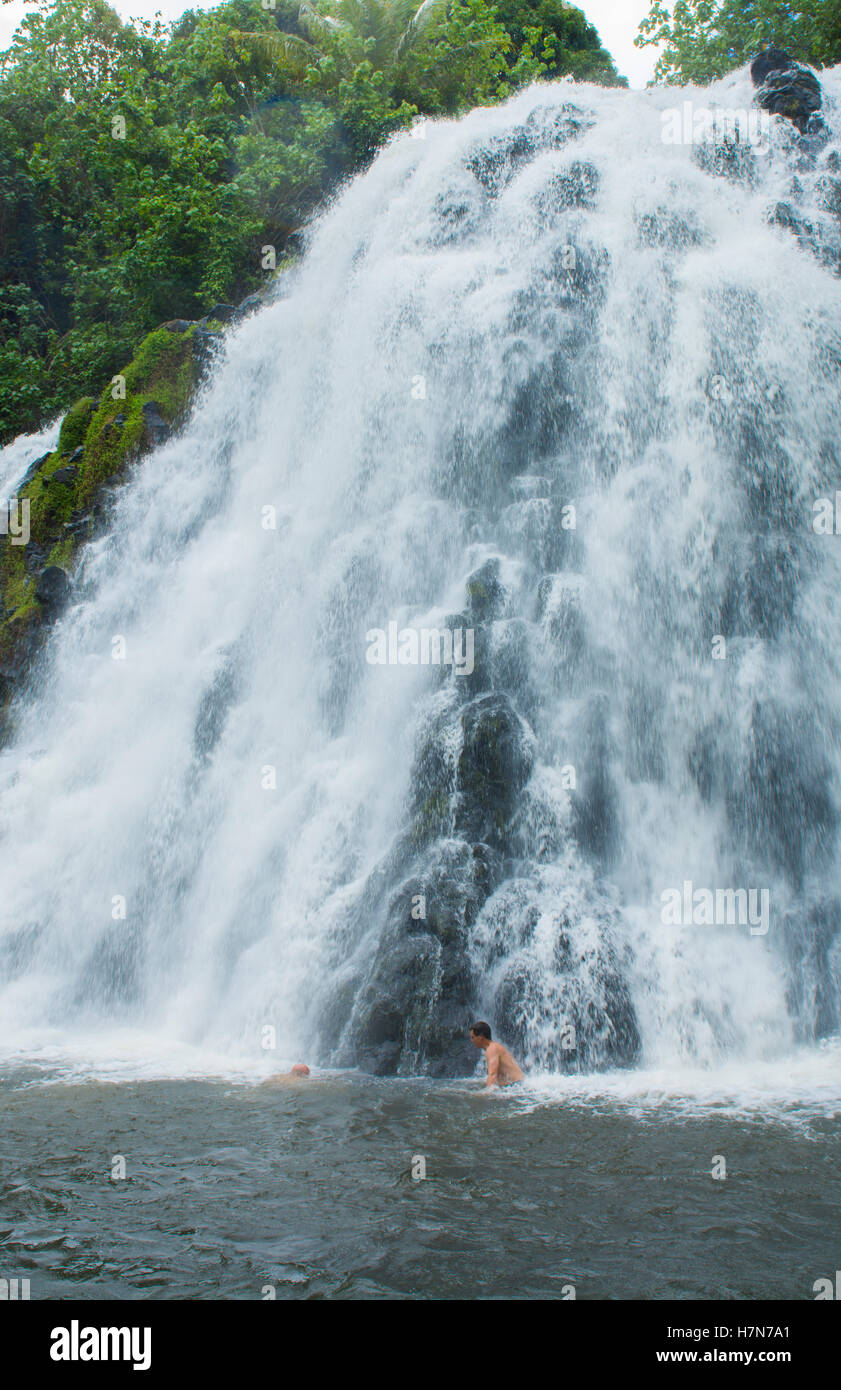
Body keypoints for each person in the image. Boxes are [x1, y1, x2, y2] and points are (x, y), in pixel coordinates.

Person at [469, 1021, 524, 1087]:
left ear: (481, 1037)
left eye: (473, 1037)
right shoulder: (493, 1047)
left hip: (517, 1085)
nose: (472, 1041)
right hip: (517, 1085)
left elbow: (492, 1074)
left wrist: (487, 1094)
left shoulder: (492, 1049)